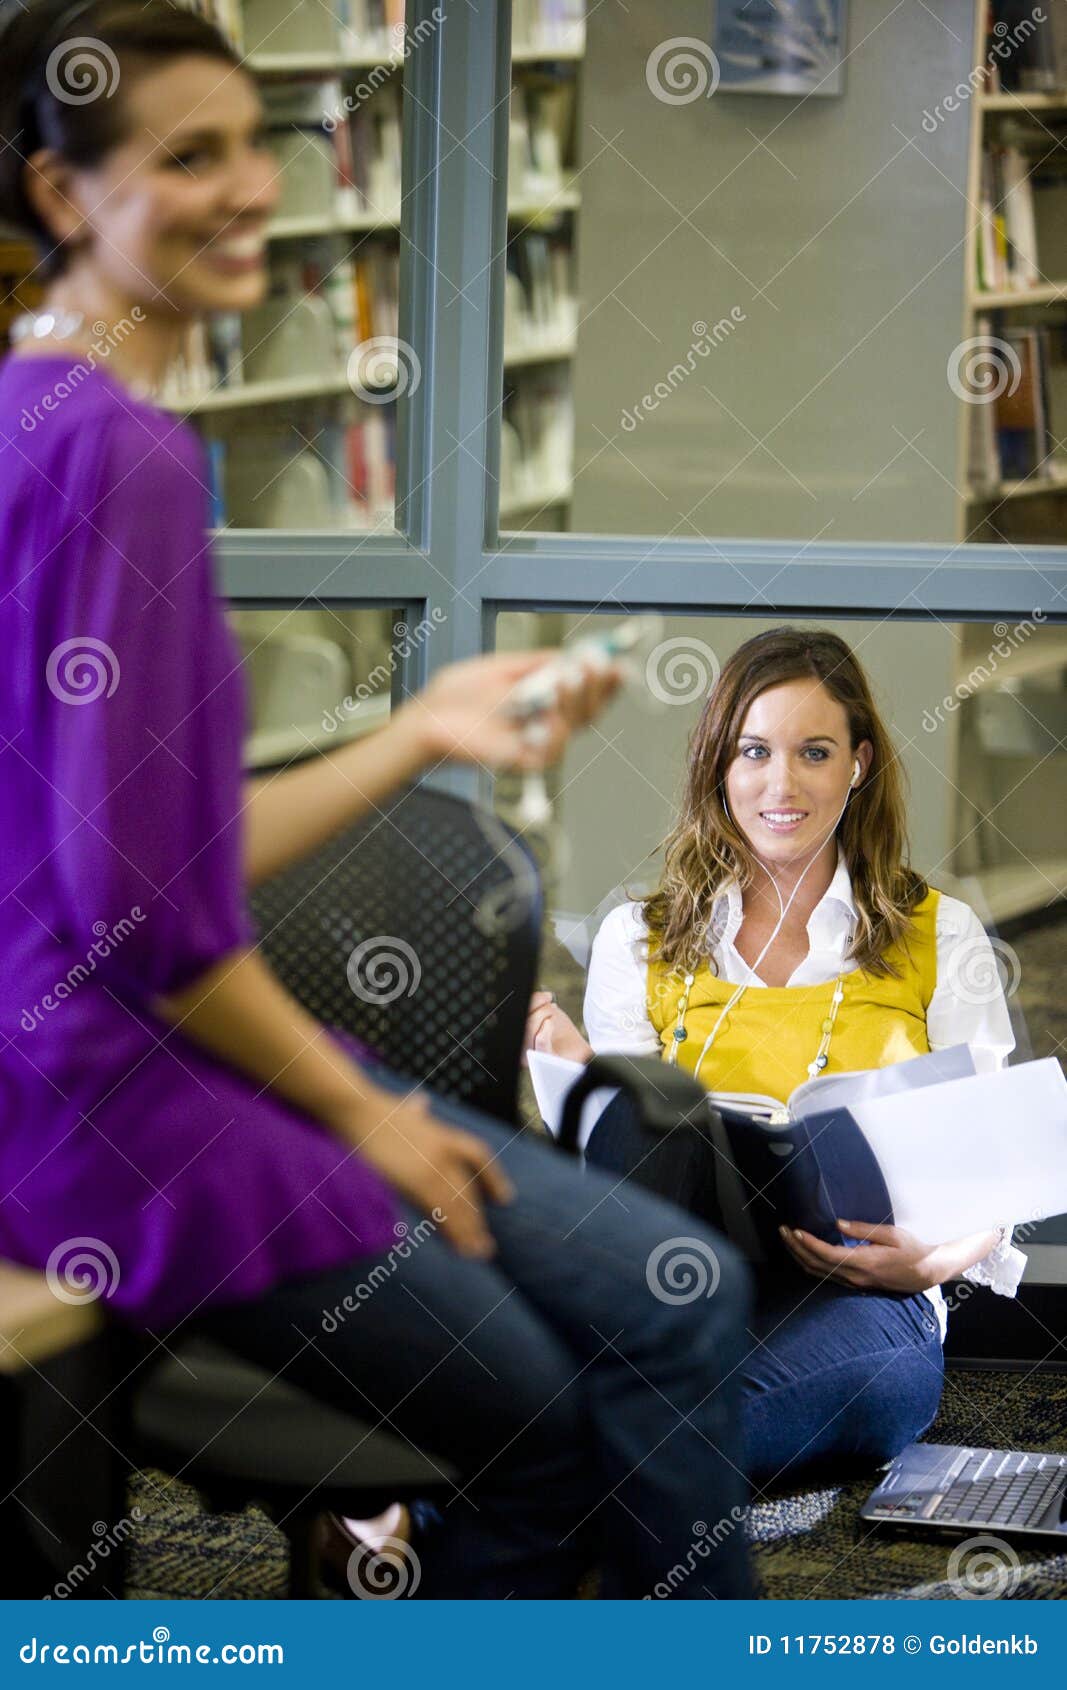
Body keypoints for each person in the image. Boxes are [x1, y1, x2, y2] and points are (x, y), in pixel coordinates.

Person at [0, 0, 755, 1599]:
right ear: (65, 199)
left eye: (254, 149)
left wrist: (419, 733)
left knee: (598, 1349)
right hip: (120, 1107)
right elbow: (138, 914)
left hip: (73, 1068)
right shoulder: (126, 456)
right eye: (183, 159)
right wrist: (371, 1111)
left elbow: (143, 855)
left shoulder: (27, 420)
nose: (248, 192)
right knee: (643, 1327)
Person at [526, 626, 1027, 1489]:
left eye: (814, 752)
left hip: (867, 1298)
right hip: (671, 1286)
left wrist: (931, 1263)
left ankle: (502, 1496)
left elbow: (993, 1175)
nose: (780, 784)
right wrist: (588, 1081)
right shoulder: (636, 941)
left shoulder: (939, 933)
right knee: (644, 1123)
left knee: (685, 1412)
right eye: (753, 751)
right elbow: (619, 1185)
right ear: (719, 764)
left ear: (858, 765)